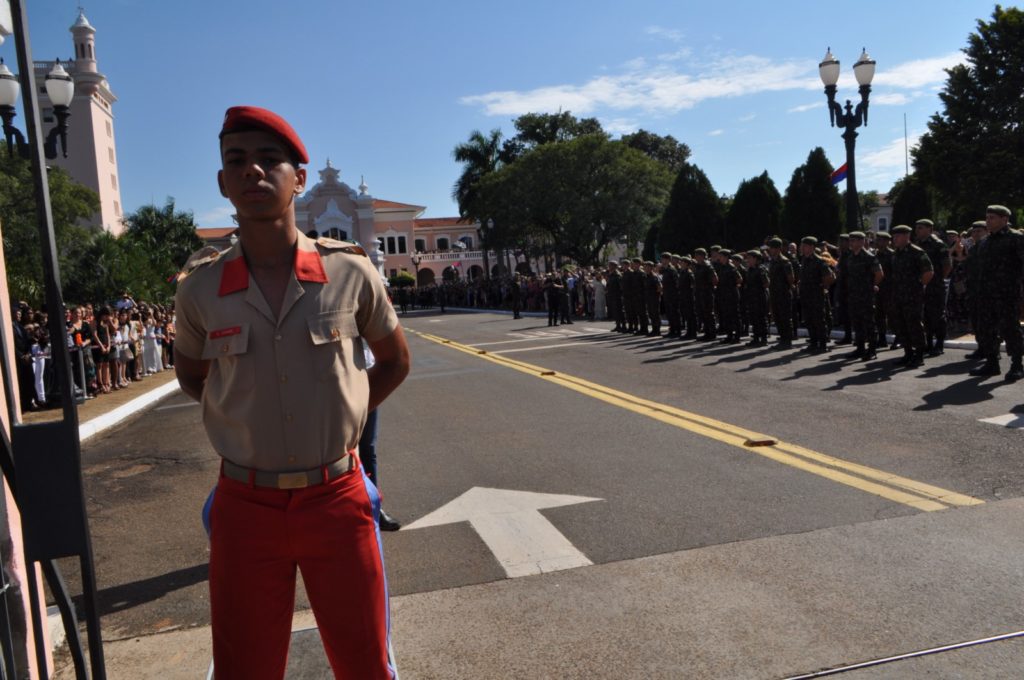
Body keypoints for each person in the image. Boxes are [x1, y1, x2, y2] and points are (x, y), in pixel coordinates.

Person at [173, 105, 410, 679]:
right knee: (244, 667)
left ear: (298, 178)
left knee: (364, 663)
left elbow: (395, 361)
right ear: (222, 183)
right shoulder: (202, 287)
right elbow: (192, 376)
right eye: (237, 161)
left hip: (337, 497)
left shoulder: (351, 271)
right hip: (245, 505)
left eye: (269, 159)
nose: (253, 172)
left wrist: (341, 409)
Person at [970, 205, 1024, 380]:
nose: (988, 221)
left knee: (1010, 330)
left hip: (1008, 295)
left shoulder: (1016, 238)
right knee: (986, 330)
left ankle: (1017, 365)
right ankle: (992, 363)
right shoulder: (985, 242)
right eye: (987, 217)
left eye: (992, 217)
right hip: (986, 295)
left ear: (1004, 219)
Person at [889, 225, 933, 368]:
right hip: (898, 295)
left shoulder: (917, 252)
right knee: (901, 325)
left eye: (898, 236)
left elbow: (928, 272)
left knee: (914, 325)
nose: (894, 239)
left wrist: (918, 287)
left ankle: (919, 355)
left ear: (907, 236)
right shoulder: (896, 253)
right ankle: (908, 353)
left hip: (912, 296)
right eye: (894, 236)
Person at [840, 232, 884, 360]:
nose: (851, 243)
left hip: (866, 296)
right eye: (850, 240)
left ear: (861, 242)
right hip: (854, 295)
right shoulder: (850, 257)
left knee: (869, 323)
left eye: (853, 240)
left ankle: (872, 350)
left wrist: (871, 286)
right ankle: (860, 348)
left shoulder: (869, 257)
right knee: (857, 322)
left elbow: (880, 274)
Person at [914, 218, 952, 355]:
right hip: (922, 284)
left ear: (929, 229)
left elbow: (947, 266)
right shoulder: (917, 244)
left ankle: (939, 344)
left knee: (937, 315)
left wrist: (938, 279)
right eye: (917, 228)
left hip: (935, 285)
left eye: (921, 228)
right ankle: (928, 343)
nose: (917, 230)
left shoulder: (938, 244)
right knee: (925, 315)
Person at [798, 237, 834, 354]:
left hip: (816, 295)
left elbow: (829, 277)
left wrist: (822, 287)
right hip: (806, 295)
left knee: (819, 320)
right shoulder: (804, 260)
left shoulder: (820, 261)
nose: (801, 248)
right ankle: (813, 343)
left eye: (804, 246)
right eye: (802, 246)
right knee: (809, 320)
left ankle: (822, 345)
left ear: (812, 247)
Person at [766, 238, 795, 350]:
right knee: (777, 317)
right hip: (774, 293)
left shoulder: (784, 261)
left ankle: (787, 341)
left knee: (784, 318)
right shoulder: (772, 261)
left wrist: (786, 288)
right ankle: (782, 339)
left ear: (778, 249)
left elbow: (791, 278)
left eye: (772, 248)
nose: (770, 250)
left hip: (783, 294)